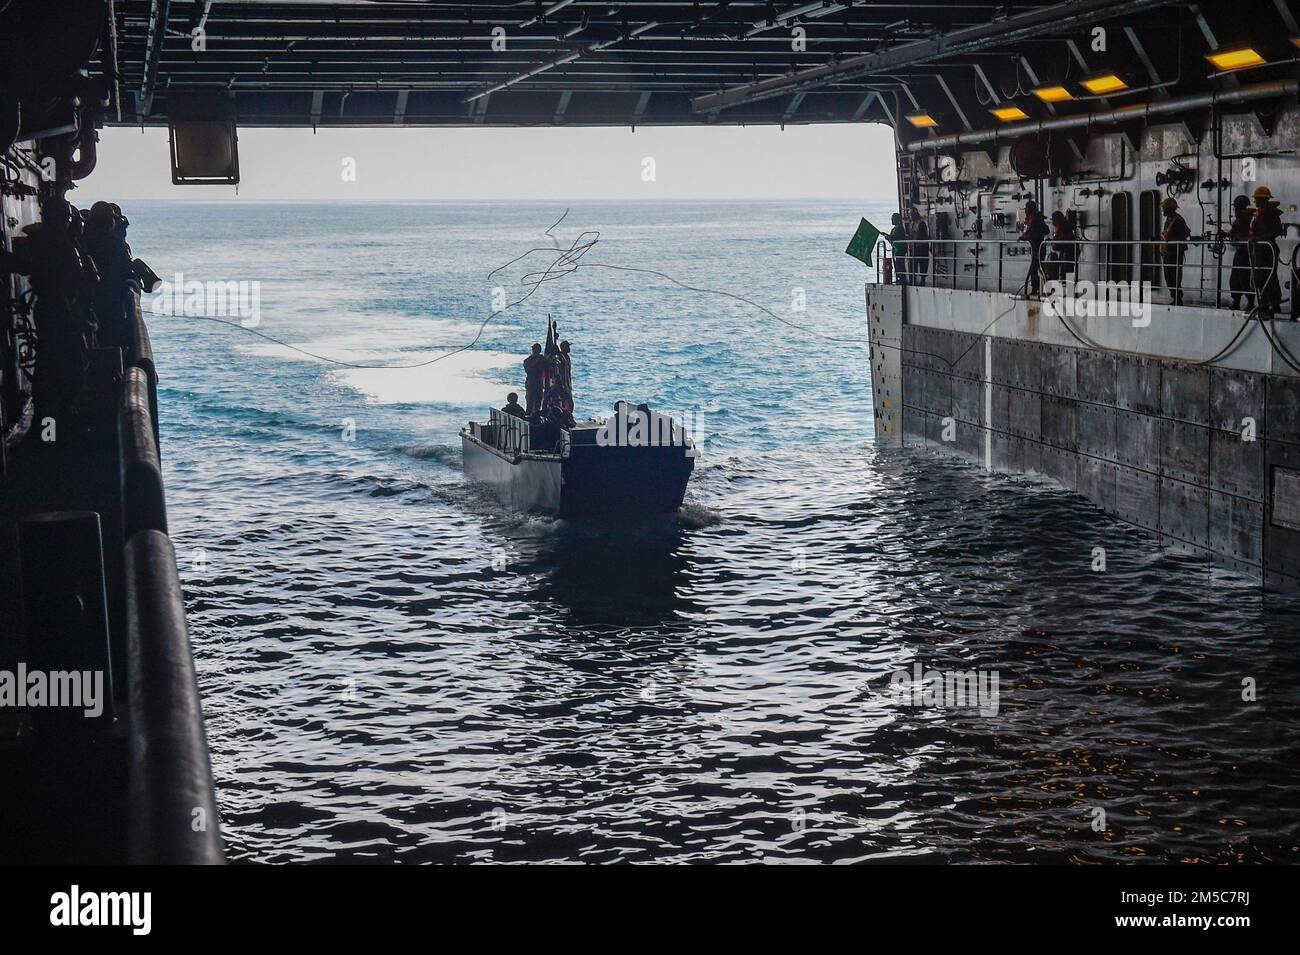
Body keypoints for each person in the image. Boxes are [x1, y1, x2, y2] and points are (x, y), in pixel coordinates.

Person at [1248, 185, 1283, 316]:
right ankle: (1270, 303)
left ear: (1263, 200)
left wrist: (1259, 239)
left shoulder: (1270, 214)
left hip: (1266, 250)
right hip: (1260, 249)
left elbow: (1275, 231)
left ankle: (1268, 304)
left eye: (1257, 199)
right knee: (1265, 277)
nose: (1255, 201)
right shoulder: (1260, 212)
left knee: (1266, 277)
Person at [1224, 195, 1254, 312]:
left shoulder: (1242, 220)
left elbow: (1235, 234)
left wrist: (1231, 236)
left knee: (1243, 278)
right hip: (1243, 251)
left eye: (1236, 208)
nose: (1235, 211)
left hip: (1244, 252)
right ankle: (1239, 301)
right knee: (1237, 278)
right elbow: (1232, 233)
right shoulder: (1248, 219)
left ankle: (1247, 302)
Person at [1159, 197, 1191, 305]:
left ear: (1169, 209)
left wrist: (1173, 240)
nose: (1163, 210)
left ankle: (1177, 298)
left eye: (1164, 208)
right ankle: (1175, 296)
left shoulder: (1178, 220)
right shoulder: (1169, 220)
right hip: (1168, 252)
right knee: (1168, 276)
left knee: (1174, 275)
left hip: (1175, 252)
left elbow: (1186, 232)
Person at [1019, 200, 1048, 296]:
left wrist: (1024, 238)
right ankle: (1041, 288)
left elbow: (1032, 233)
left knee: (1035, 268)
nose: (1025, 211)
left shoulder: (1035, 220)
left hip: (1037, 247)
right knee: (1038, 268)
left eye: (1027, 209)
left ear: (1030, 209)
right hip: (1037, 247)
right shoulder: (1035, 219)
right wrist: (1024, 237)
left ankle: (1038, 289)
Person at [1044, 210, 1078, 281]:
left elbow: (1058, 243)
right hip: (1068, 252)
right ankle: (1068, 289)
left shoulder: (1062, 227)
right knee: (1066, 273)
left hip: (1068, 253)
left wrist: (1053, 242)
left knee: (1066, 273)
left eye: (1053, 220)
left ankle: (1069, 290)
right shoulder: (1064, 226)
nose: (1052, 222)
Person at [907, 206, 930, 287]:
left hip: (922, 247)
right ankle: (913, 280)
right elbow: (911, 235)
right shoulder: (911, 224)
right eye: (909, 214)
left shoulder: (921, 223)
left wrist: (913, 240)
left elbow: (921, 235)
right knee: (913, 265)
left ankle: (922, 280)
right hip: (914, 247)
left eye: (911, 214)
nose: (910, 216)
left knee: (923, 264)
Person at [522, 342, 544, 416]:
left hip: (539, 383)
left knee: (538, 402)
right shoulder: (527, 360)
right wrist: (536, 362)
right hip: (531, 383)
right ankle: (528, 417)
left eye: (536, 349)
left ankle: (536, 416)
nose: (534, 351)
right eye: (534, 349)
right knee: (529, 402)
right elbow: (528, 371)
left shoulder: (542, 359)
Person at [887, 212, 908, 284]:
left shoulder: (900, 228)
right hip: (895, 249)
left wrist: (889, 237)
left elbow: (897, 237)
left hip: (900, 249)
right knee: (897, 265)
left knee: (900, 264)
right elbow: (892, 240)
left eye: (893, 219)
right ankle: (899, 278)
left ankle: (902, 279)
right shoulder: (894, 229)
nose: (892, 220)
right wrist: (888, 238)